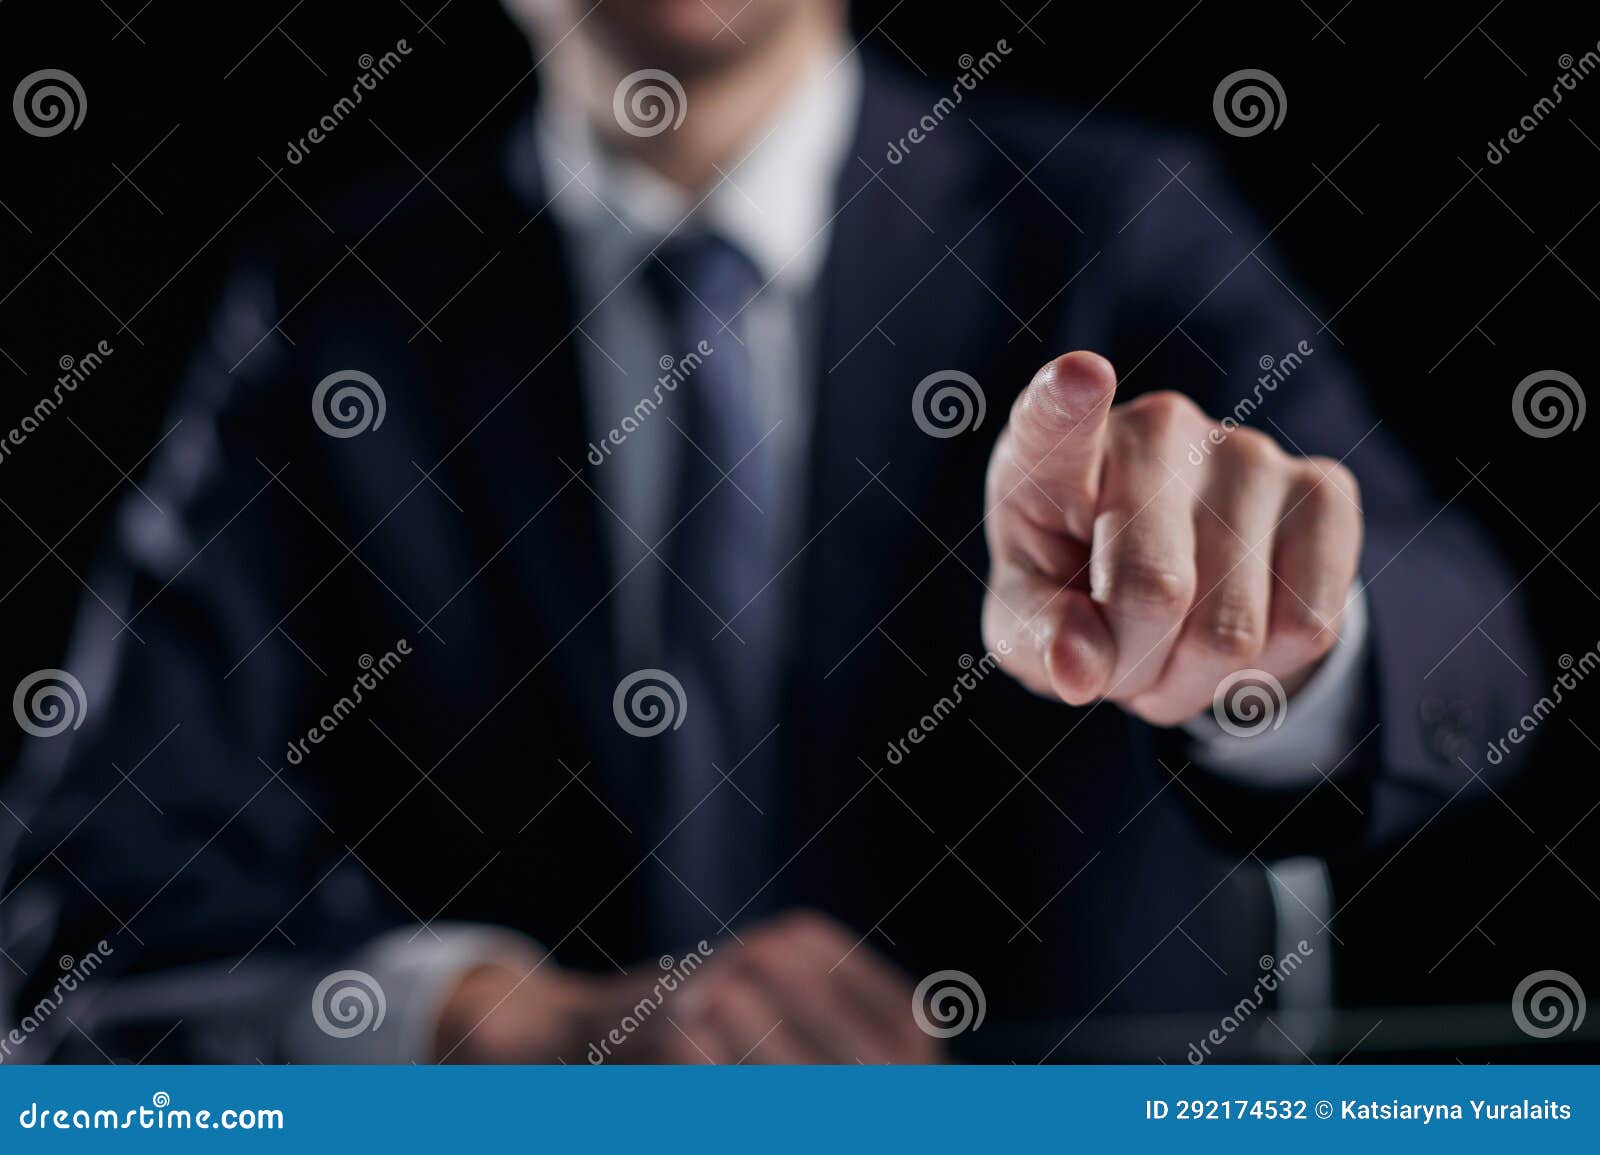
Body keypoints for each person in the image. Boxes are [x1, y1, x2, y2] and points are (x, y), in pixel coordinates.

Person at [0, 0, 1532, 1064]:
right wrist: (503, 1029)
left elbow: (1467, 652)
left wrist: (1265, 637)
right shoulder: (338, 315)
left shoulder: (1112, 226)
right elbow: (91, 890)